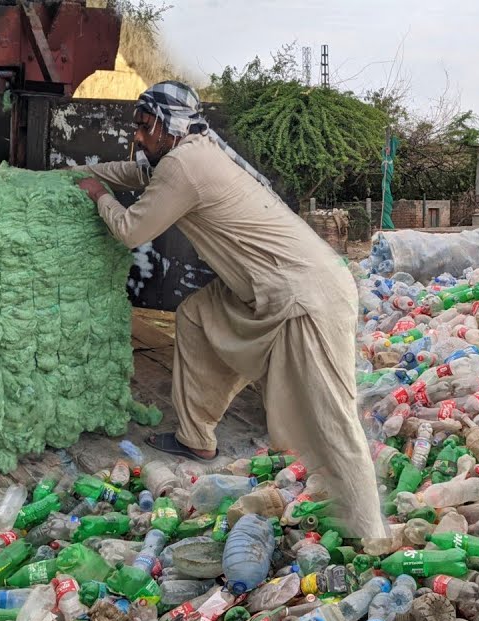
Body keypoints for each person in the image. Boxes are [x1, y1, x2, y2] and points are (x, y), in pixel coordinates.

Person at [79, 81, 386, 539]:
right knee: (196, 316)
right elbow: (136, 172)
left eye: (145, 126)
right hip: (271, 286)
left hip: (308, 292)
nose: (138, 136)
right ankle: (195, 437)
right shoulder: (187, 154)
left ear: (170, 125)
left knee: (332, 417)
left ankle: (371, 534)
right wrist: (79, 174)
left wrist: (94, 193)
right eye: (137, 127)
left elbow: (130, 230)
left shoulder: (184, 166)